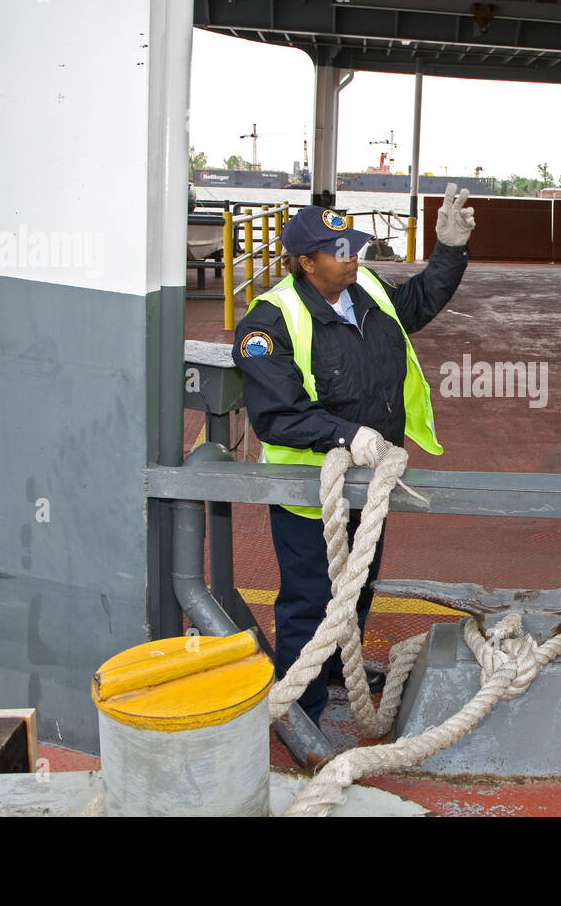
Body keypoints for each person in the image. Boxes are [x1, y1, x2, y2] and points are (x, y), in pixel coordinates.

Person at [231, 184, 476, 727]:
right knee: (310, 601)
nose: (352, 258)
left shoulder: (365, 287)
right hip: (311, 494)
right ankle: (303, 717)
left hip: (369, 482)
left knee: (358, 585)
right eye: (338, 252)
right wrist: (347, 436)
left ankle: (342, 667)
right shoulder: (269, 323)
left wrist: (450, 250)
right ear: (305, 262)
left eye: (354, 246)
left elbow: (416, 303)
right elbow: (277, 414)